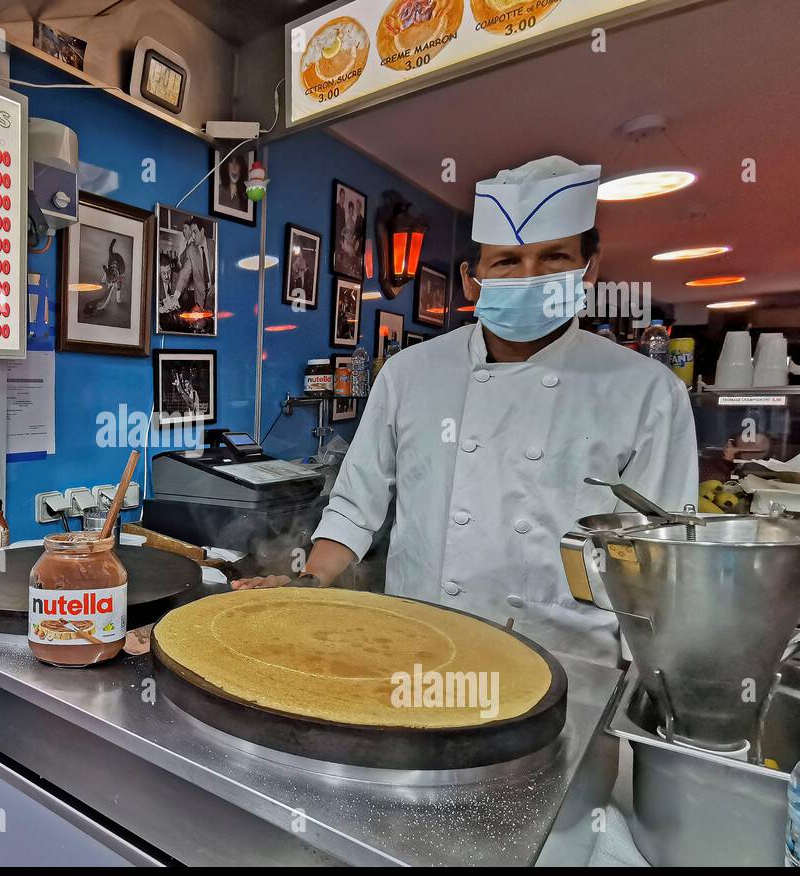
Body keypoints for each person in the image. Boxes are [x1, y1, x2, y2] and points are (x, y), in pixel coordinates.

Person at [233, 156, 699, 666]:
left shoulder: (646, 391)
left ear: (591, 269)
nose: (530, 277)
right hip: (416, 643)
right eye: (506, 262)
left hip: (566, 662)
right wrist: (309, 581)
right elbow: (354, 504)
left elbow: (660, 559)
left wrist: (649, 688)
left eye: (553, 258)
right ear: (473, 279)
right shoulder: (411, 373)